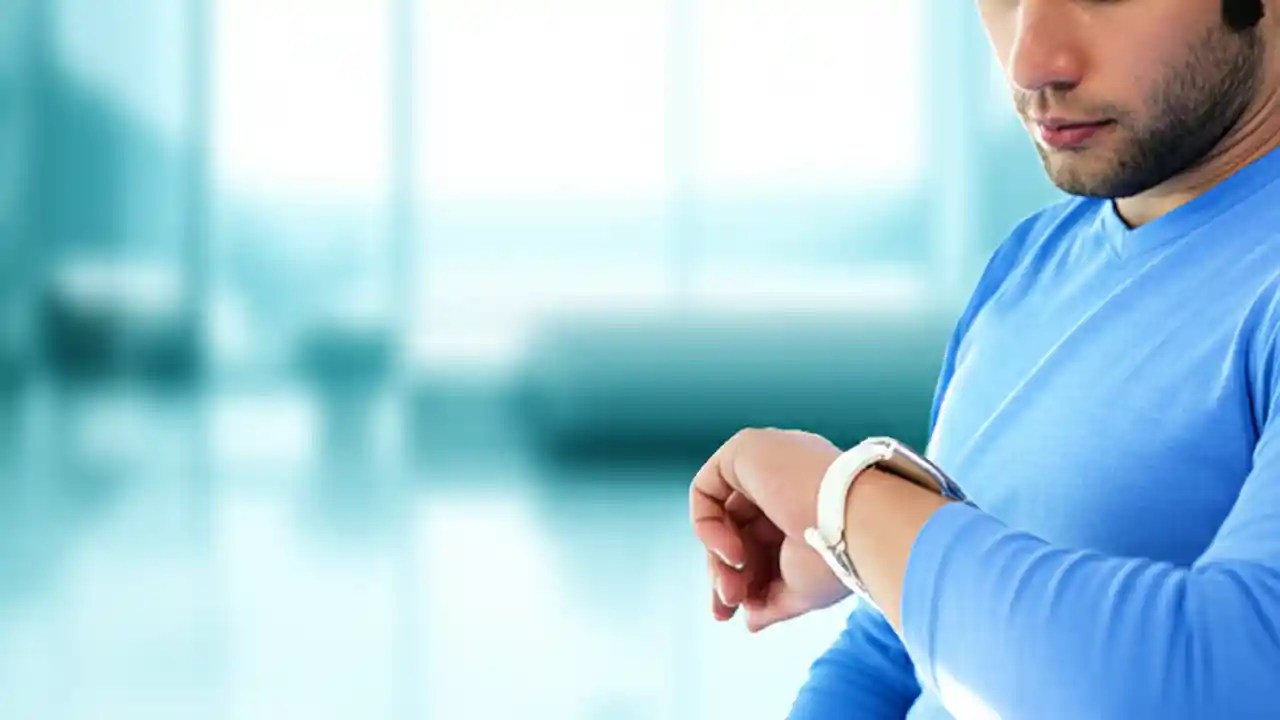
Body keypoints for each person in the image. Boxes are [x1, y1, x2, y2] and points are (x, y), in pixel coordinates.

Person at [688, 1, 1280, 717]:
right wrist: (866, 530)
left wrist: (848, 498)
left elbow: (1227, 679)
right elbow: (893, 651)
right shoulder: (1031, 261)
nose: (1030, 62)